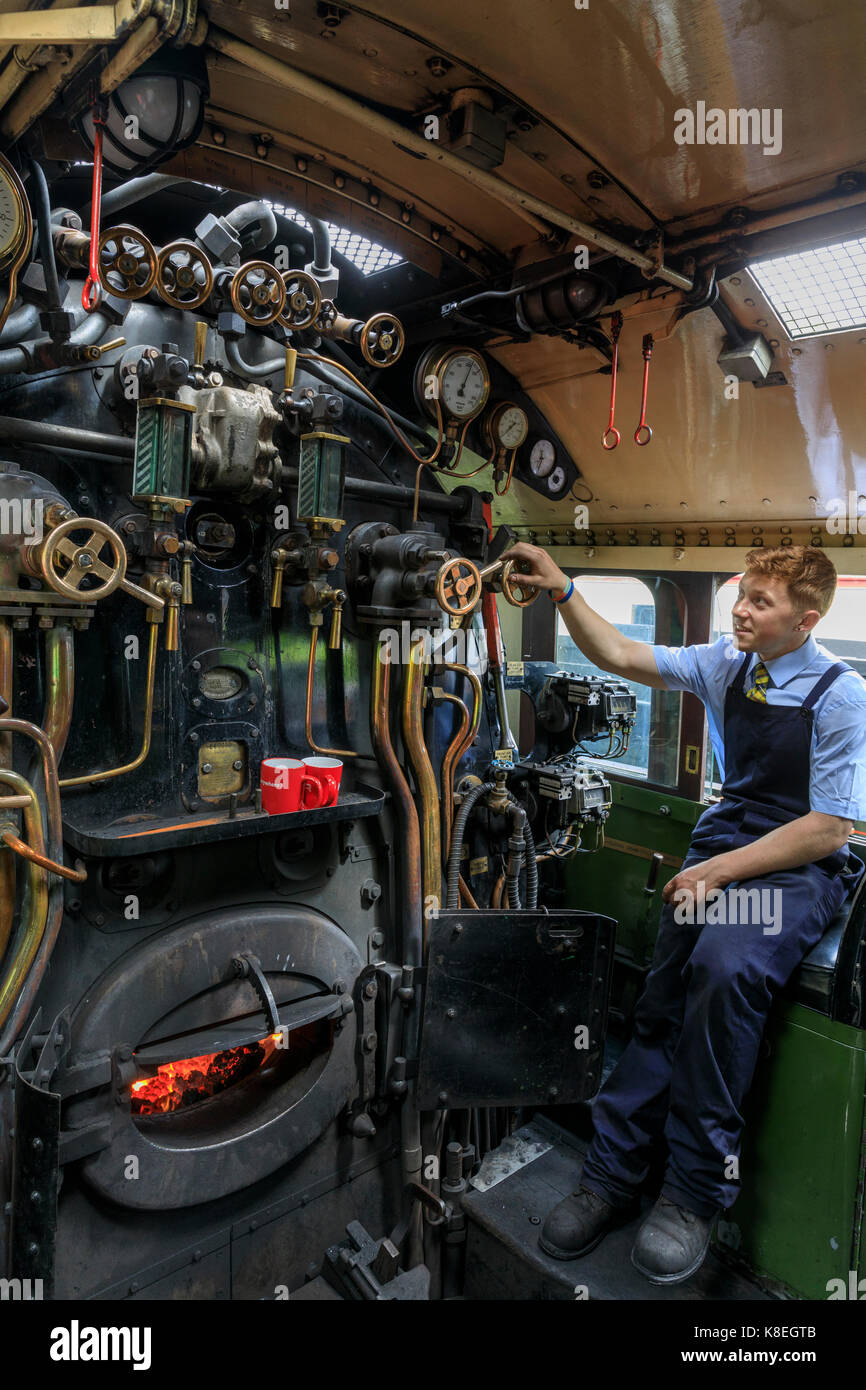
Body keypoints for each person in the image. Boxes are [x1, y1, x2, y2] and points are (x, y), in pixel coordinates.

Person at [501, 542, 866, 1285]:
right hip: (728, 839)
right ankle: (611, 1174)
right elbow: (624, 654)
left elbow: (831, 826)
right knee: (661, 997)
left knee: (723, 969)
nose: (740, 608)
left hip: (797, 869)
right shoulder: (727, 663)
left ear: (805, 619)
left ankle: (693, 1194)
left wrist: (717, 873)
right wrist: (562, 588)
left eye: (761, 602)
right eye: (741, 593)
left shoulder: (840, 694)